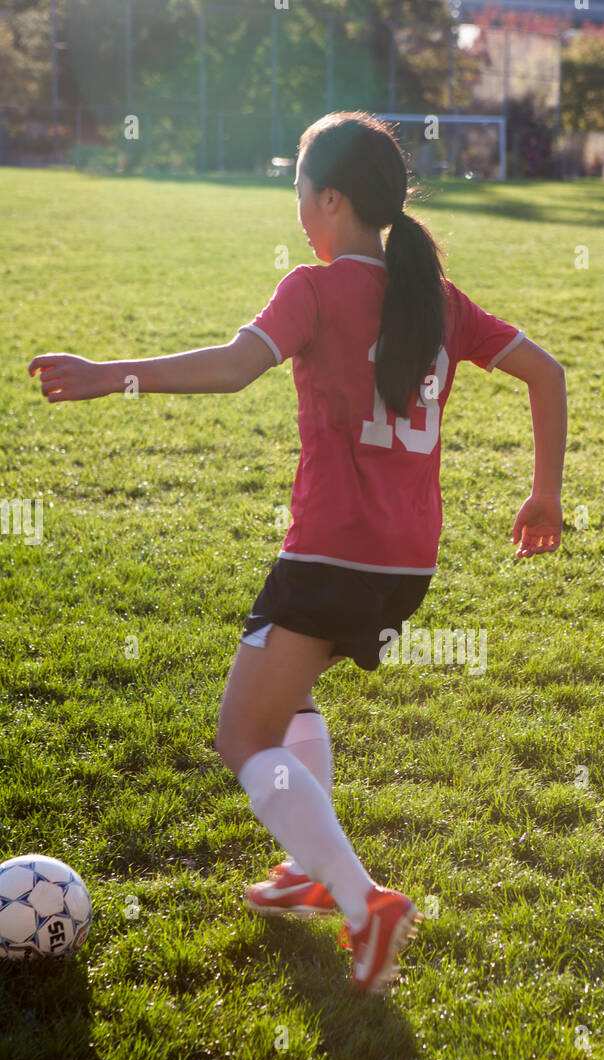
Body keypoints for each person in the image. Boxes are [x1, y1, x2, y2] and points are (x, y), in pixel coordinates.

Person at [27, 110, 567, 993]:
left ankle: (365, 904)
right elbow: (547, 371)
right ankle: (309, 873)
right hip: (405, 567)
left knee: (241, 736)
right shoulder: (435, 297)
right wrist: (543, 493)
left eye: (299, 199)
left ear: (332, 200)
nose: (298, 218)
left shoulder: (313, 288)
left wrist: (107, 375)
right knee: (294, 688)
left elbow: (232, 366)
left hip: (328, 555)